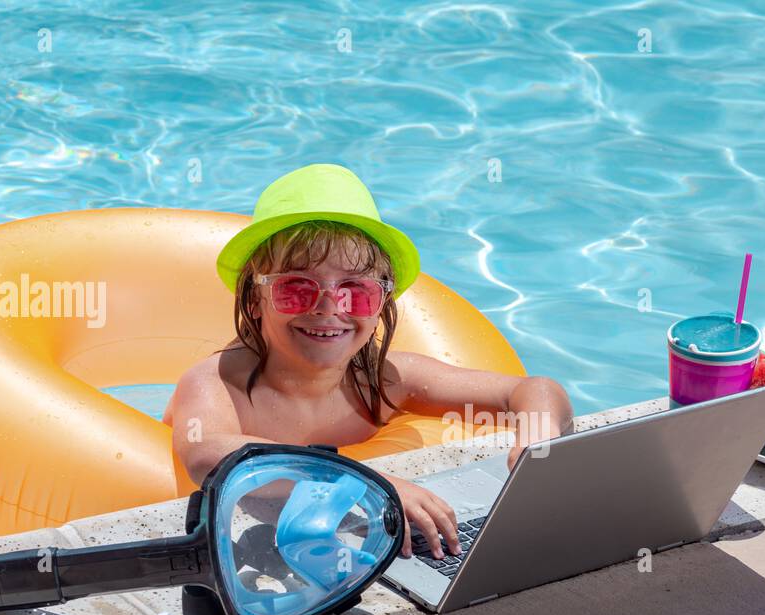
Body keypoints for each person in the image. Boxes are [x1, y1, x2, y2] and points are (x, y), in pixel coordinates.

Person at [166, 163, 573, 565]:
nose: (328, 308)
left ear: (380, 306)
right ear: (255, 301)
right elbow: (207, 455)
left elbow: (532, 390)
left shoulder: (387, 380)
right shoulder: (218, 382)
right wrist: (364, 484)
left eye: (355, 291)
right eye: (296, 289)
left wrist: (537, 434)